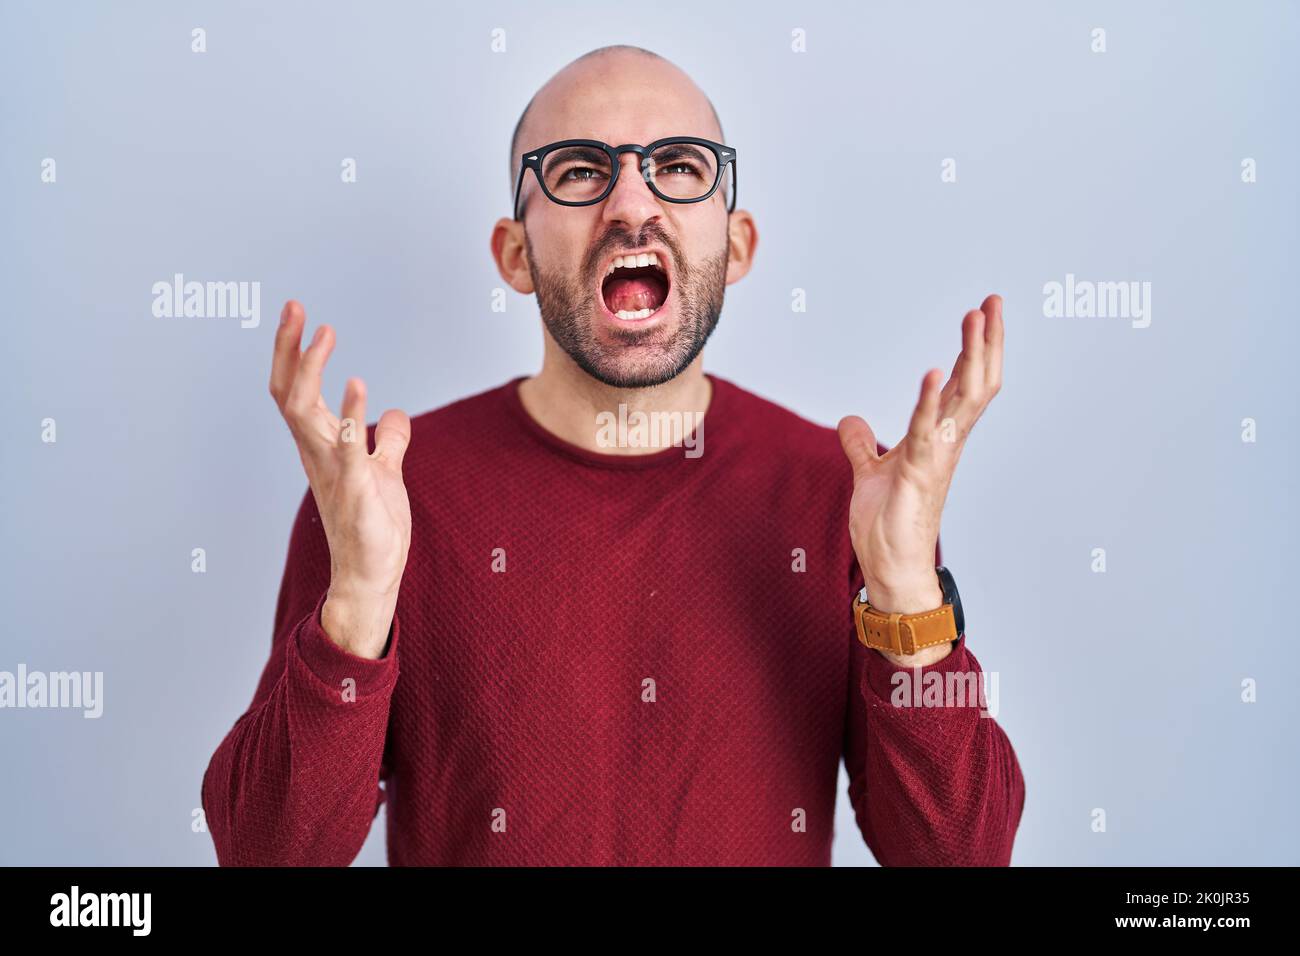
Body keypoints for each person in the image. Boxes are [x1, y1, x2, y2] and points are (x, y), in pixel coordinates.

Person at [201, 44, 1024, 866]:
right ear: (516, 254)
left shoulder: (841, 499)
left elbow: (963, 853)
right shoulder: (381, 499)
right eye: (580, 170)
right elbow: (264, 852)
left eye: (677, 164)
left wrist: (909, 591)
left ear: (736, 246)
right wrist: (358, 603)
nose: (633, 203)